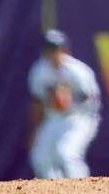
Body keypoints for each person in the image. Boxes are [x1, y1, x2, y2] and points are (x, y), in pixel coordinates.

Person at [27, 29, 102, 179]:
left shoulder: (79, 71)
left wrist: (71, 102)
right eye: (49, 50)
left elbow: (94, 102)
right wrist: (34, 131)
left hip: (80, 118)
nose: (52, 54)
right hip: (54, 118)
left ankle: (82, 193)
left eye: (55, 49)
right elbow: (37, 103)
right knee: (39, 157)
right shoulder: (39, 71)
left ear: (65, 50)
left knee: (66, 154)